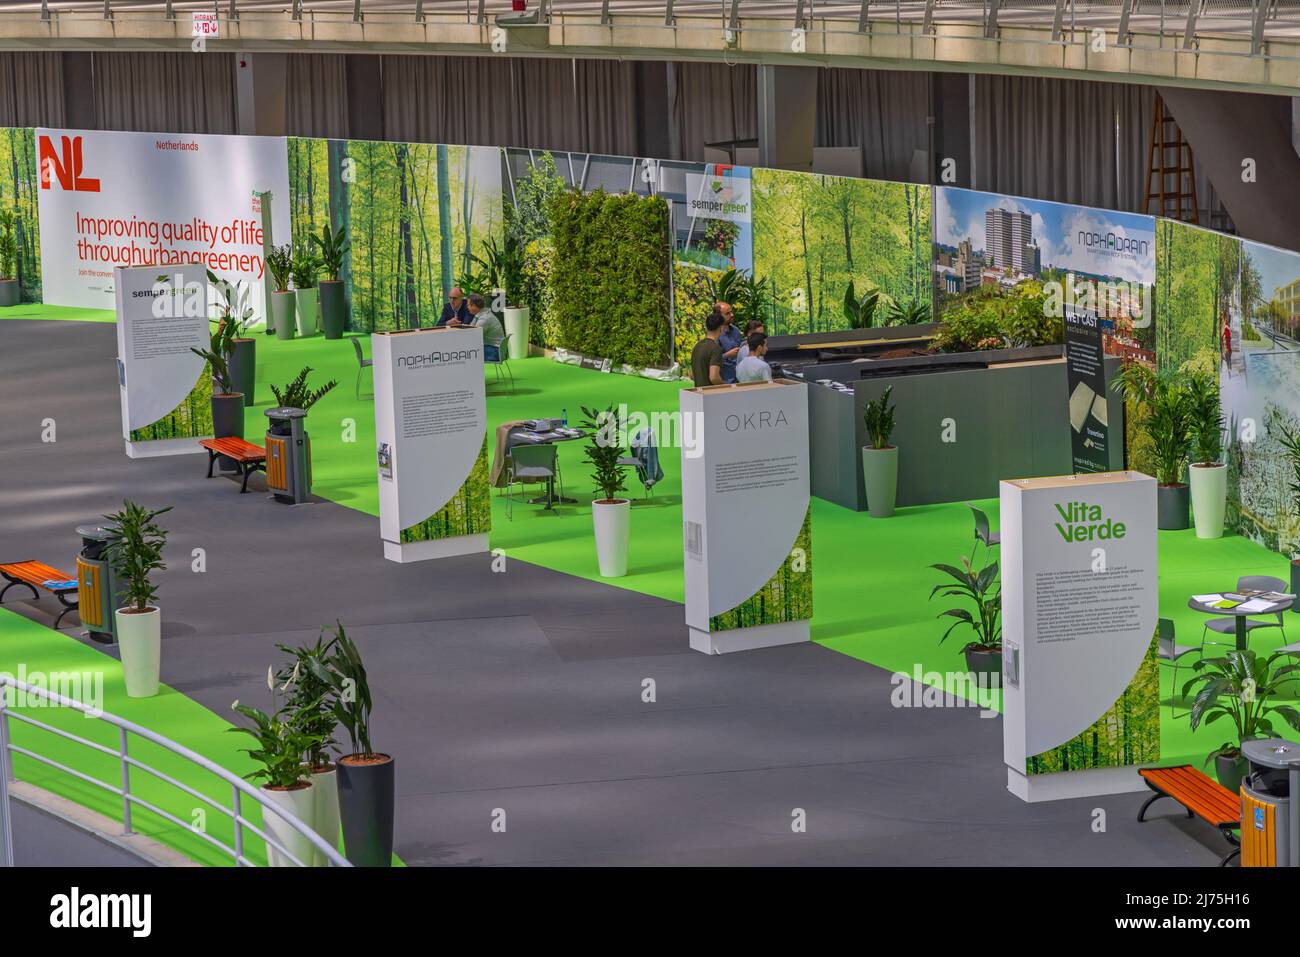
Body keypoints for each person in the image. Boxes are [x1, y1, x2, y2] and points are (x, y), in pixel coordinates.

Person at [460, 292, 505, 361]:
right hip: (493, 348)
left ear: (474, 305)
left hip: (495, 352)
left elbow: (473, 336)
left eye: (468, 305)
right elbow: (470, 328)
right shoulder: (481, 314)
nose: (467, 307)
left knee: (467, 353)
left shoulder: (484, 318)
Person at [690, 309, 726, 387]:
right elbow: (714, 377)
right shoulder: (715, 349)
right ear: (721, 327)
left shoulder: (697, 346)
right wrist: (725, 386)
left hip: (698, 392)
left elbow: (691, 375)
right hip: (710, 394)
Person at [717, 301, 744, 383]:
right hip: (725, 380)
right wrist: (727, 355)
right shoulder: (716, 334)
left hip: (739, 378)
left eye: (731, 312)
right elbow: (712, 360)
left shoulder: (735, 330)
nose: (732, 315)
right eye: (727, 313)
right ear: (718, 316)